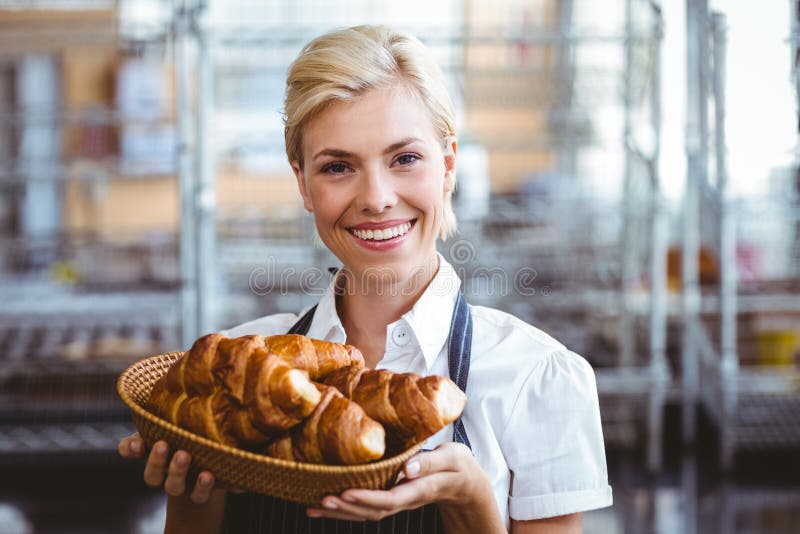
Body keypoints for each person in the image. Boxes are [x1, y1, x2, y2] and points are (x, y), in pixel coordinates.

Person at [118, 25, 612, 533]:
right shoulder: (240, 365)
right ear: (303, 184)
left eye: (405, 159)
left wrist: (470, 501)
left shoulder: (537, 379)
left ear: (448, 167)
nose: (376, 197)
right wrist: (197, 488)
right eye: (337, 167)